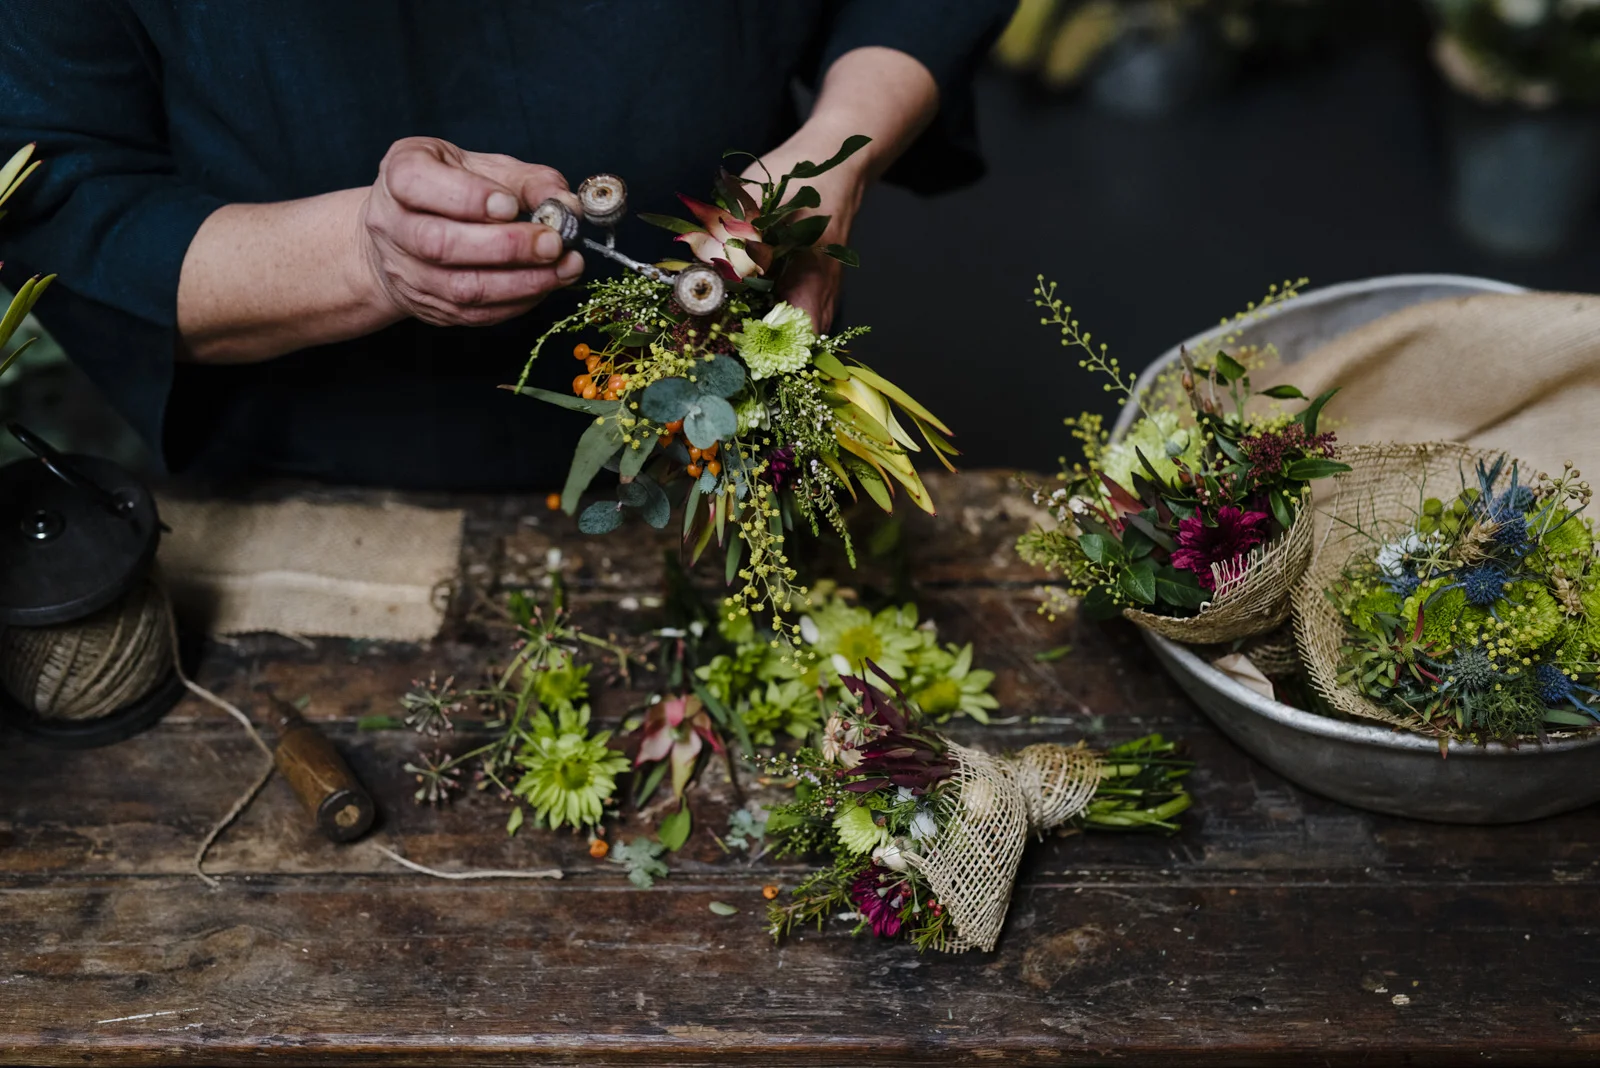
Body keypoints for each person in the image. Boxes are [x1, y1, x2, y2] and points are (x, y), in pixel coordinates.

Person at [0, 3, 1011, 489]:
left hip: (719, 412)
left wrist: (837, 151)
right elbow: (71, 200)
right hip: (325, 466)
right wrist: (367, 255)